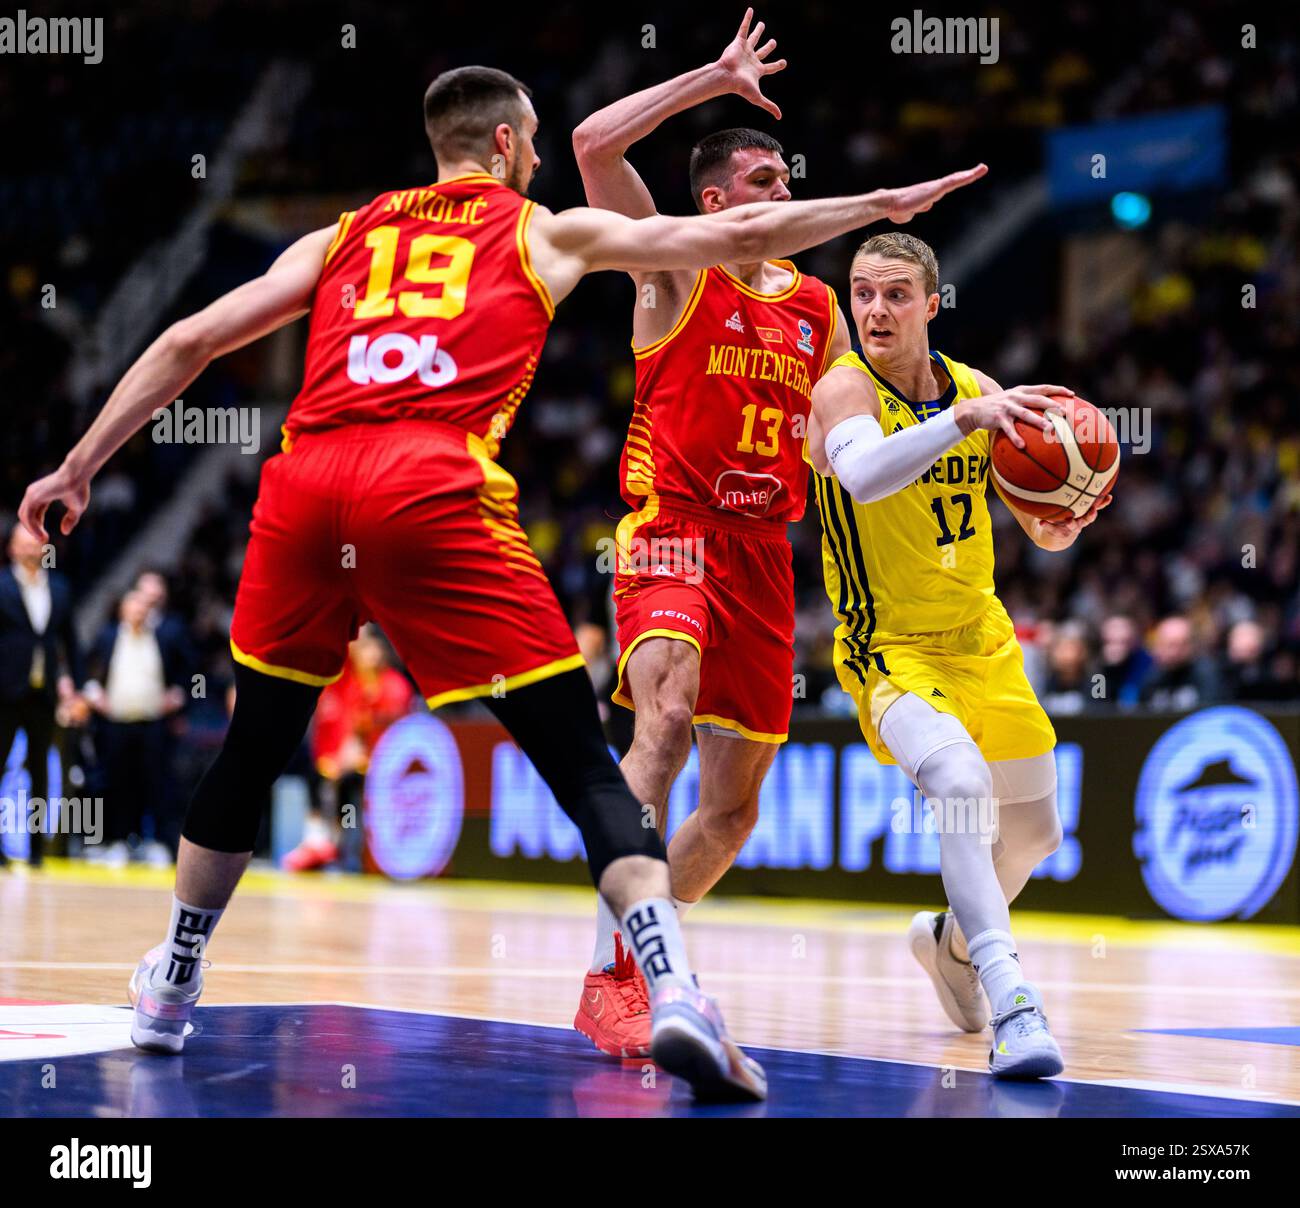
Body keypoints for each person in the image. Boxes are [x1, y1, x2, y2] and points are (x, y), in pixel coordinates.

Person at [20, 64, 984, 1100]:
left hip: (303, 483)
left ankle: (169, 981)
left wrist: (80, 461)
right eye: (530, 140)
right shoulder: (543, 230)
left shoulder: (342, 234)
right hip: (438, 480)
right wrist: (882, 207)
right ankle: (666, 988)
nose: (536, 154)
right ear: (507, 147)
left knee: (253, 744)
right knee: (585, 761)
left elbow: (189, 339)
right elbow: (726, 237)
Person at [569, 8, 852, 1057]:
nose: (790, 196)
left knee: (733, 812)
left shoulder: (820, 304)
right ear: (717, 201)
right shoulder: (675, 265)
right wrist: (714, 76)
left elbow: (827, 439)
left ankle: (640, 959)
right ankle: (613, 971)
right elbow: (595, 144)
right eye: (771, 183)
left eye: (792, 181)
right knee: (667, 722)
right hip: (672, 531)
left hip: (764, 553)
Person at [807, 232, 1109, 1078]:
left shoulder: (976, 392)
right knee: (962, 787)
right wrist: (961, 420)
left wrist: (1058, 520)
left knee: (1038, 834)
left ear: (932, 304)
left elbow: (1034, 531)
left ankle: (951, 948)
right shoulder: (841, 390)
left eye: (896, 294)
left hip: (983, 639)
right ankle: (1014, 1001)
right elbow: (865, 477)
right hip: (890, 647)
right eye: (863, 293)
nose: (874, 310)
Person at [285, 626, 413, 871]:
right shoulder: (348, 680)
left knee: (348, 782)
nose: (368, 655)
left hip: (382, 760)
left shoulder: (394, 686)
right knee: (314, 773)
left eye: (371, 648)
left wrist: (359, 751)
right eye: (362, 647)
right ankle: (316, 840)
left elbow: (391, 731)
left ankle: (341, 843)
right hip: (345, 759)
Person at [83, 588, 189, 865]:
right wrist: (94, 694)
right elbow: (85, 667)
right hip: (115, 722)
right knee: (117, 782)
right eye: (133, 605)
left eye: (144, 606)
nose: (139, 611)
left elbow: (191, 671)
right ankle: (117, 841)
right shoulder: (108, 636)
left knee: (156, 783)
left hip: (153, 722)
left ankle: (157, 843)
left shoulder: (164, 637)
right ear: (122, 609)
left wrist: (180, 694)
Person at [0, 520, 84, 867]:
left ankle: (36, 849)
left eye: (37, 542)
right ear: (11, 548)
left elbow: (71, 643)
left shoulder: (60, 587)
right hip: (5, 691)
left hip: (43, 692)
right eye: (25, 542)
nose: (33, 548)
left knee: (40, 770)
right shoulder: (1, 585)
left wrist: (76, 686)